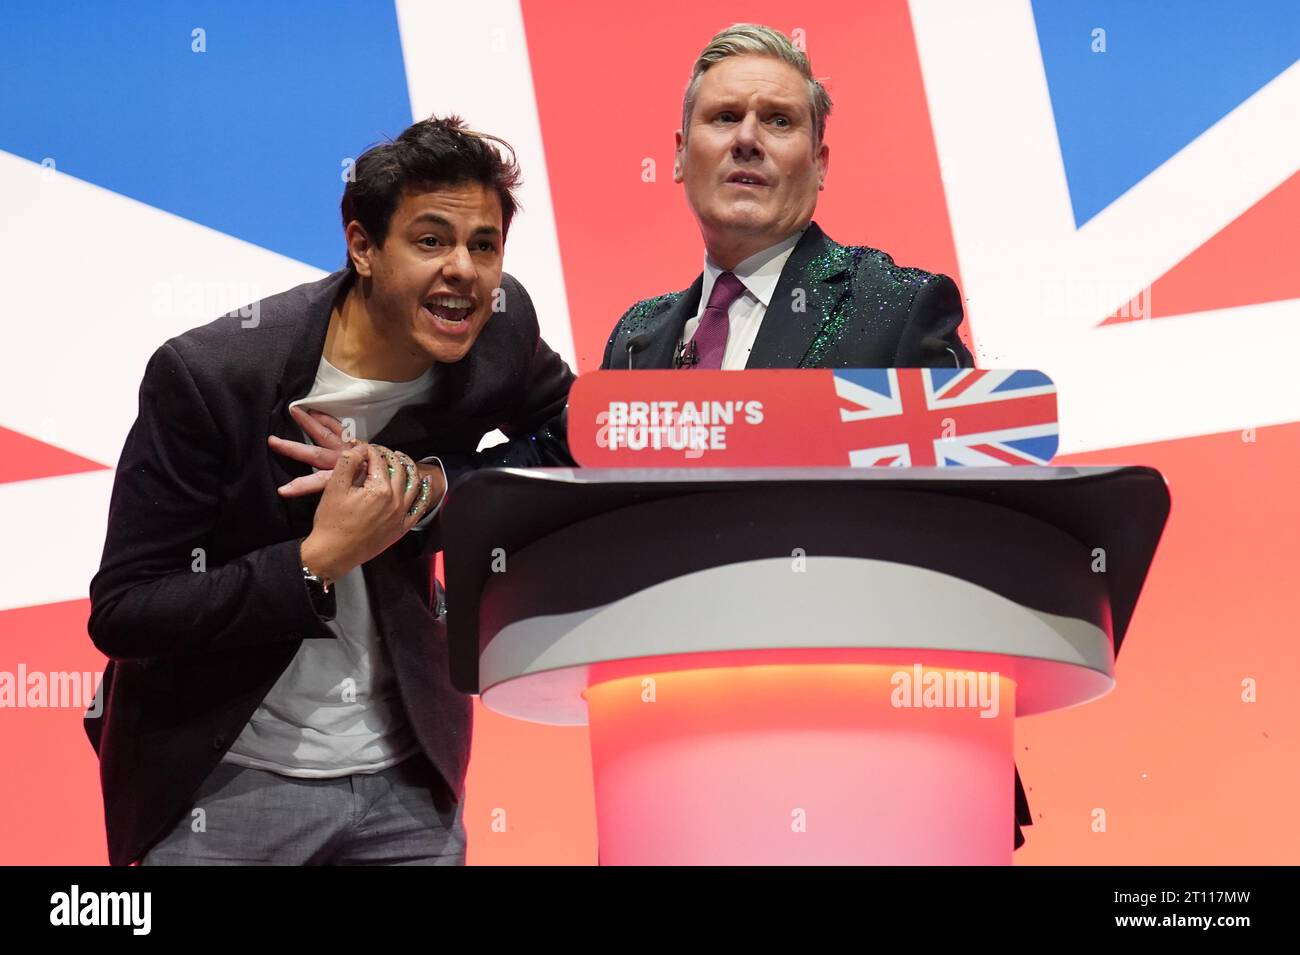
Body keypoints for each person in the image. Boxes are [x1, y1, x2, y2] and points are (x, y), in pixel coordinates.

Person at [85, 115, 574, 865]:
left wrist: (433, 486)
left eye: (484, 244)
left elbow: (576, 438)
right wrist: (314, 561)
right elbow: (126, 609)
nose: (466, 272)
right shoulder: (214, 376)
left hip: (405, 780)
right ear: (363, 247)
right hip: (226, 784)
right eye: (431, 240)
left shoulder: (499, 332)